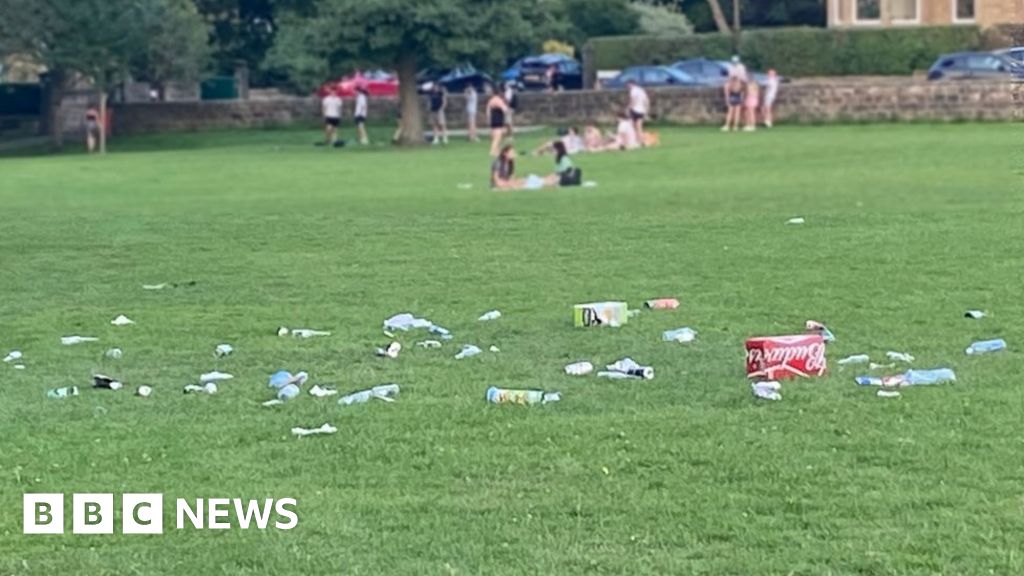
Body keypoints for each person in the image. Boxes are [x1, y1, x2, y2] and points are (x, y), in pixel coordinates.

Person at [486, 90, 509, 156]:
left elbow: (488, 112)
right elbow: (505, 109)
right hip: (498, 119)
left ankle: (497, 150)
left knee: (494, 136)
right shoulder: (498, 100)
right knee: (498, 137)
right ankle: (492, 151)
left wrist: (489, 120)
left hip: (493, 120)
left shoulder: (490, 101)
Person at [626, 79, 650, 145]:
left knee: (631, 126)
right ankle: (642, 141)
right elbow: (647, 101)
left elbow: (633, 100)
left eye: (628, 85)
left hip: (634, 110)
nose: (627, 86)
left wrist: (628, 108)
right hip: (641, 110)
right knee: (639, 127)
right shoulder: (641, 90)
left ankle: (633, 140)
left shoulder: (633, 91)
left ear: (631, 84)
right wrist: (646, 111)